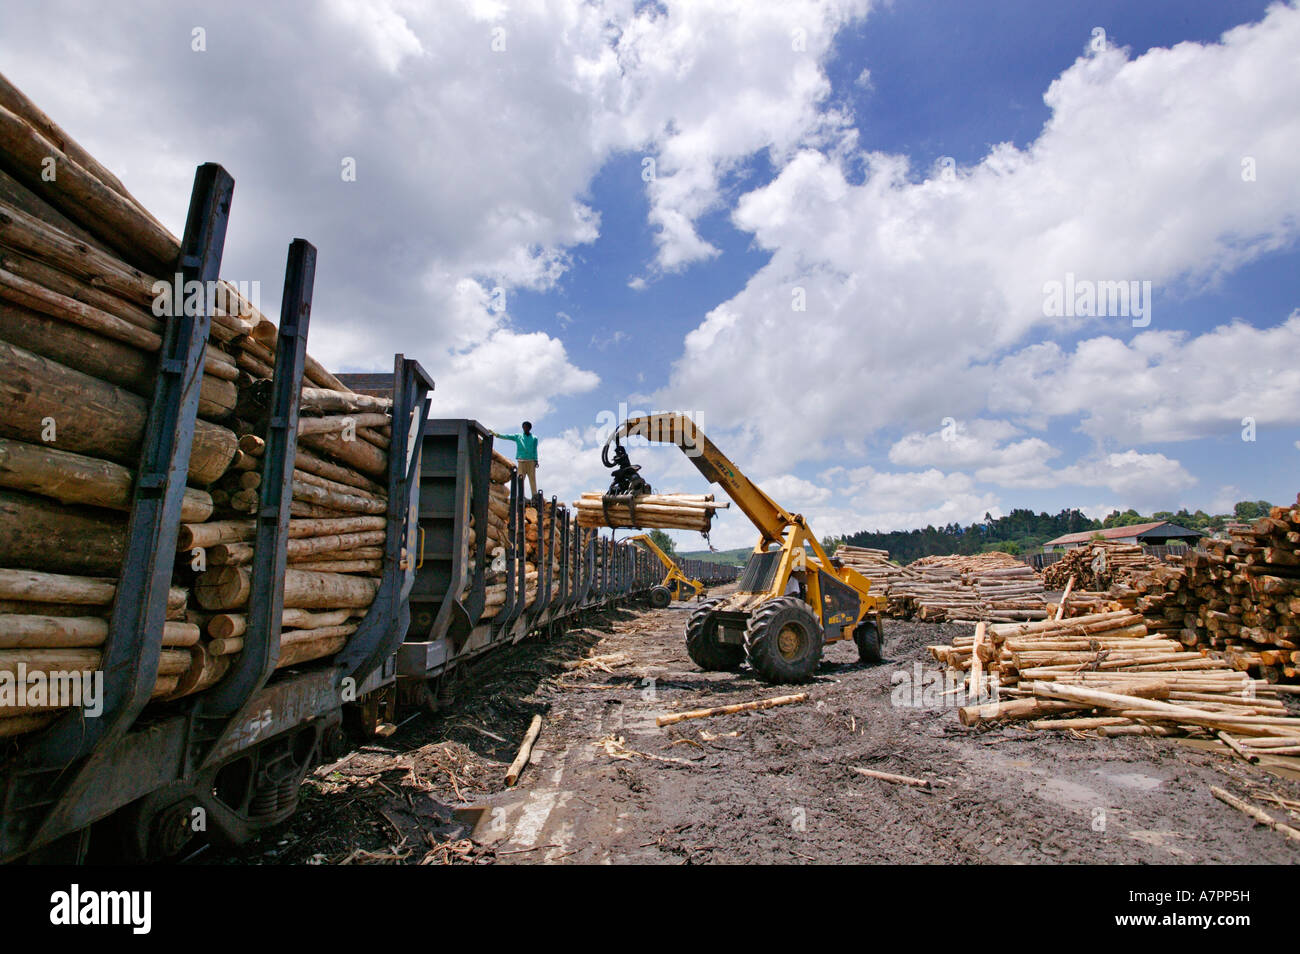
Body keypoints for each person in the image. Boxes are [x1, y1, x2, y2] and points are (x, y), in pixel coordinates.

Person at [494, 421, 540, 500]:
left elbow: (535, 450)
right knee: (521, 478)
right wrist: (497, 435)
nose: (525, 428)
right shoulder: (518, 436)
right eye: (524, 427)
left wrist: (536, 461)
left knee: (532, 478)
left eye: (526, 427)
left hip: (531, 461)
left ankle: (534, 495)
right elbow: (508, 436)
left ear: (529, 428)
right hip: (521, 460)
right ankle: (521, 495)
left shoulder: (534, 438)